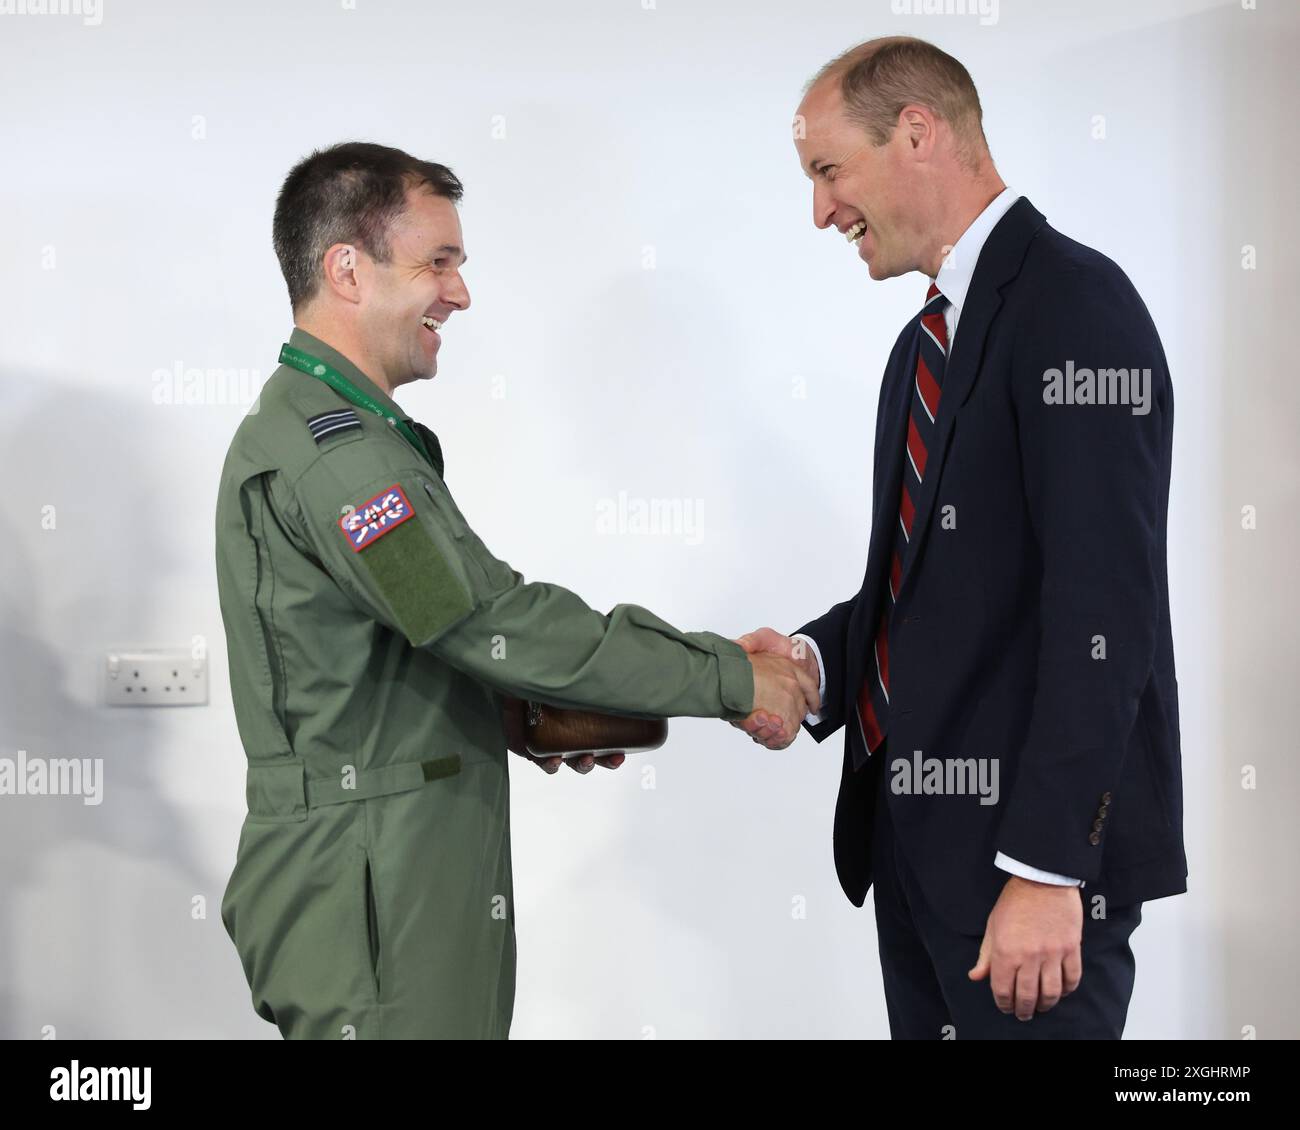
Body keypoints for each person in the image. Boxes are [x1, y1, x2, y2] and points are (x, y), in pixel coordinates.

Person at [215, 141, 818, 1039]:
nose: (460, 294)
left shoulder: (346, 437)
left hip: (394, 874)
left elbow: (390, 651)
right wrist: (726, 676)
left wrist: (512, 715)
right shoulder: (338, 460)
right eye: (438, 263)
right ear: (347, 269)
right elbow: (483, 622)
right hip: (374, 891)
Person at [735, 36, 1187, 1038]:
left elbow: (1103, 612)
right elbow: (930, 588)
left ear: (918, 132)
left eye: (827, 170)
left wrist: (1047, 866)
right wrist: (810, 662)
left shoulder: (1076, 307)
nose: (820, 211)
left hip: (1024, 884)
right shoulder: (922, 341)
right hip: (921, 856)